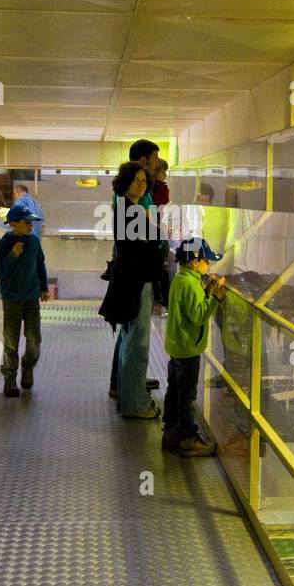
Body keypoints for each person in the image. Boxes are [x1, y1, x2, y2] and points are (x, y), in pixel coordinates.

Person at [99, 161, 165, 419]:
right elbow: (146, 247)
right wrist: (158, 238)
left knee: (131, 340)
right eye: (136, 180)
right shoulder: (131, 210)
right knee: (137, 344)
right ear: (125, 182)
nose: (141, 185)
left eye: (144, 181)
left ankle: (130, 397)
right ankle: (135, 403)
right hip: (137, 282)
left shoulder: (128, 207)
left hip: (132, 281)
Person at [163, 238, 225, 457]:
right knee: (186, 395)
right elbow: (198, 315)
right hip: (188, 348)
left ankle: (170, 431)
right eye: (206, 260)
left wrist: (206, 290)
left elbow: (191, 305)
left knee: (174, 390)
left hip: (177, 346)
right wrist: (216, 298)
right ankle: (188, 438)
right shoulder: (190, 284)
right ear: (195, 261)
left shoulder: (182, 278)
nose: (208, 265)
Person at [0, 203, 50, 397]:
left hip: (32, 297)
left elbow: (40, 264)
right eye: (26, 223)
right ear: (14, 224)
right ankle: (10, 378)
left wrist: (44, 287)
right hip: (11, 299)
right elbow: (0, 272)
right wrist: (12, 255)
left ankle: (28, 366)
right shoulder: (3, 244)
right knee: (11, 341)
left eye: (31, 223)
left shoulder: (34, 242)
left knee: (34, 340)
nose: (30, 226)